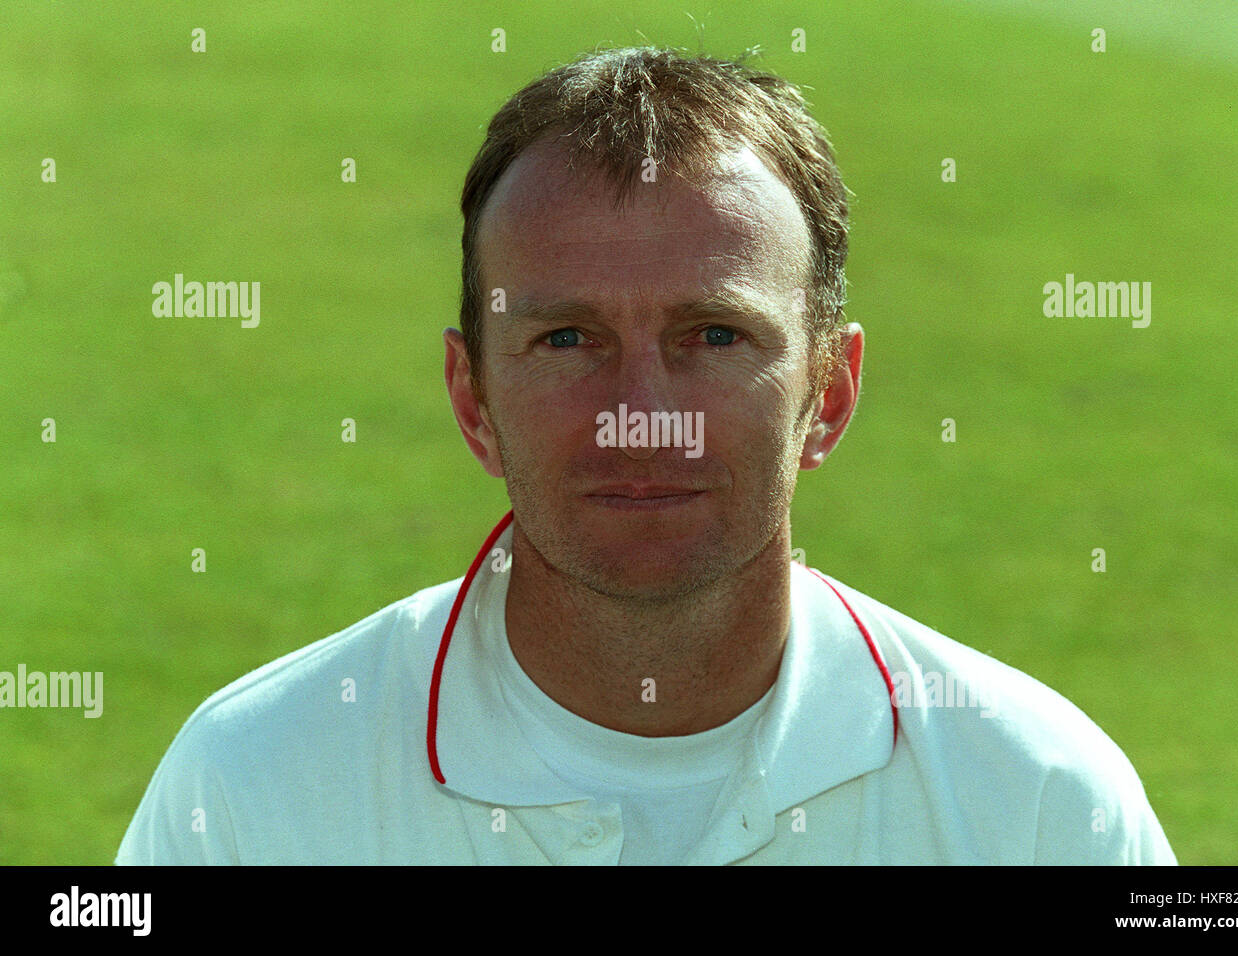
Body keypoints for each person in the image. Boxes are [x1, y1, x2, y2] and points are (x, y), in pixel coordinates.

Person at [117, 46, 1176, 865]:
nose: (640, 414)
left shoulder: (1042, 801)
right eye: (567, 339)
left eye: (712, 336)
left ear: (830, 394)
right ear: (471, 396)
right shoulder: (252, 785)